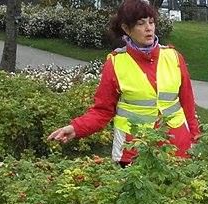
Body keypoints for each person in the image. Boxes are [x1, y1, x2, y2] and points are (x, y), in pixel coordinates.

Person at [47, 0, 199, 165]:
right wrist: (75, 128)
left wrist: (195, 140)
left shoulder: (174, 57)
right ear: (126, 29)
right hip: (133, 151)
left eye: (151, 22)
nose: (149, 28)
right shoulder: (115, 63)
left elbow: (188, 106)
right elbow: (102, 111)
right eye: (141, 24)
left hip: (176, 149)